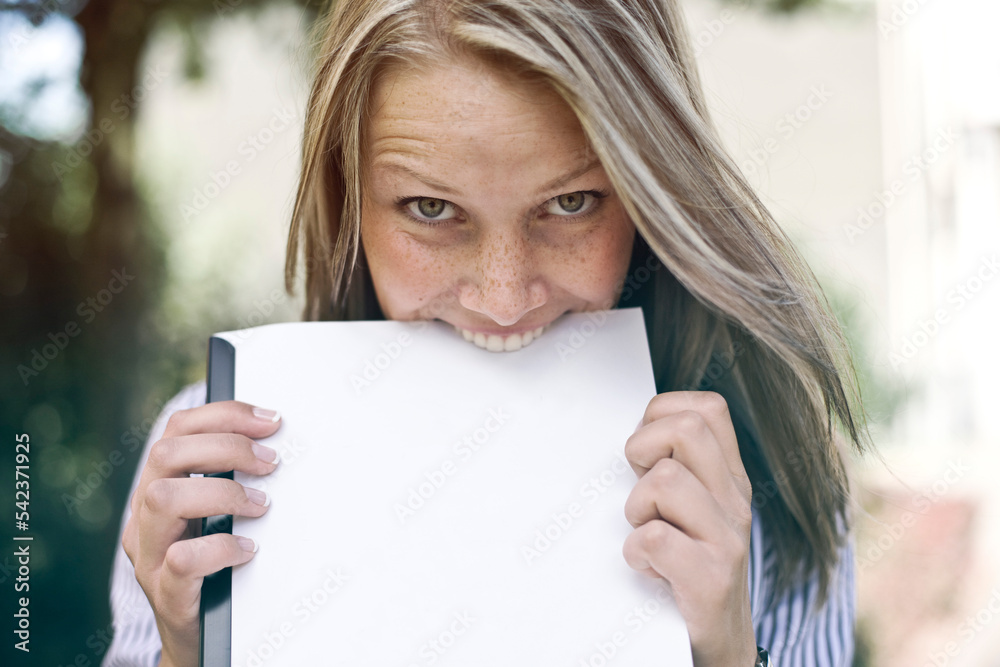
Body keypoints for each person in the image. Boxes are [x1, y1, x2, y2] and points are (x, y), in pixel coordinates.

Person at [104, 0, 868, 665]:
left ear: (650, 189)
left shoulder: (773, 475)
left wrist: (729, 655)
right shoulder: (207, 468)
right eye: (432, 209)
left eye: (570, 203)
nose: (503, 299)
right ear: (349, 199)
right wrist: (186, 653)